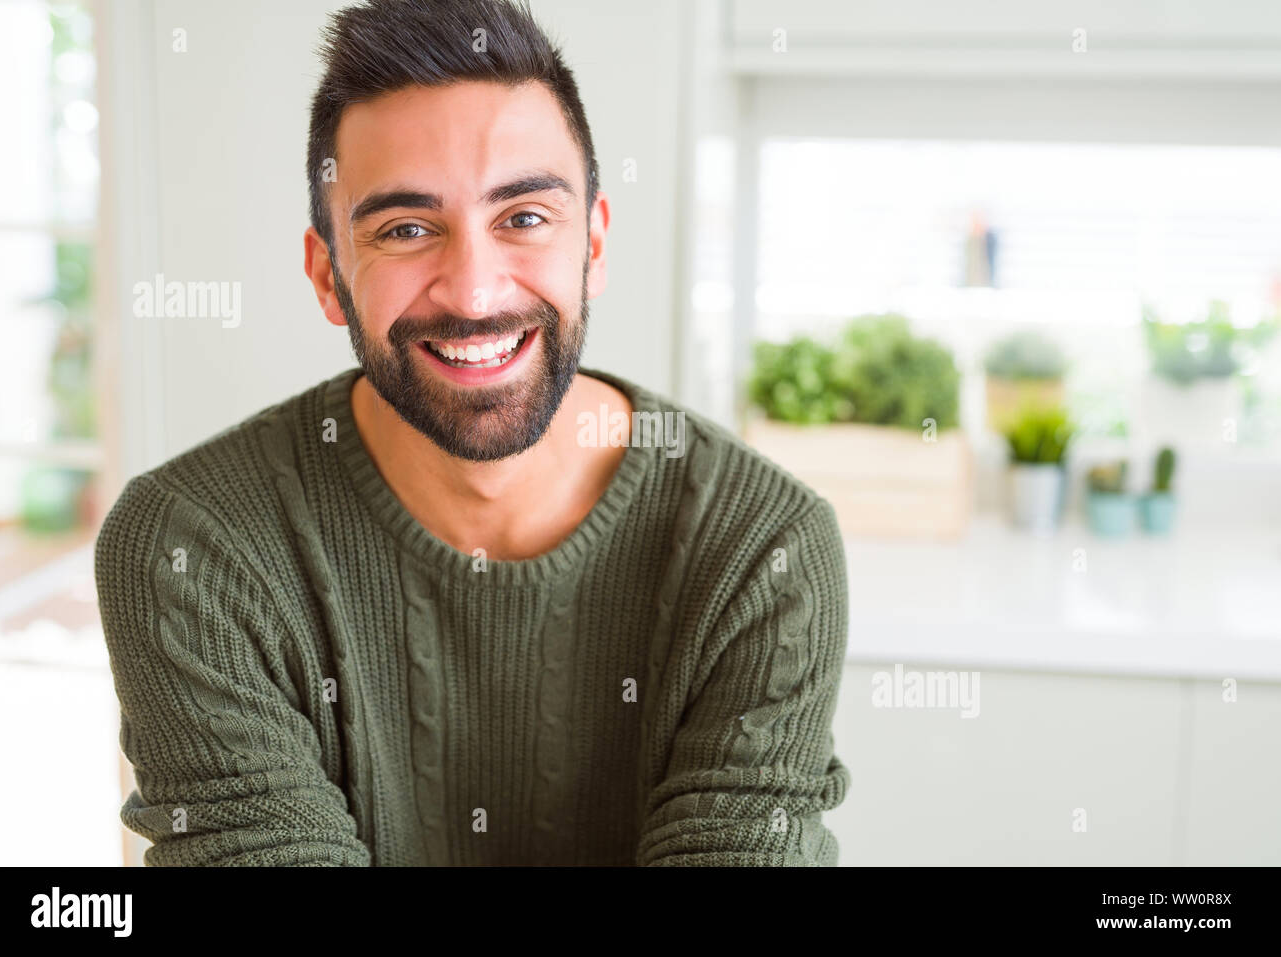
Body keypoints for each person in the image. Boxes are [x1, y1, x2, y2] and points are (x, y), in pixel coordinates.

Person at [95, 0, 850, 866]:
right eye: (406, 229)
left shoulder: (764, 548)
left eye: (524, 217)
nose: (476, 291)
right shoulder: (191, 549)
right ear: (329, 276)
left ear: (593, 243)